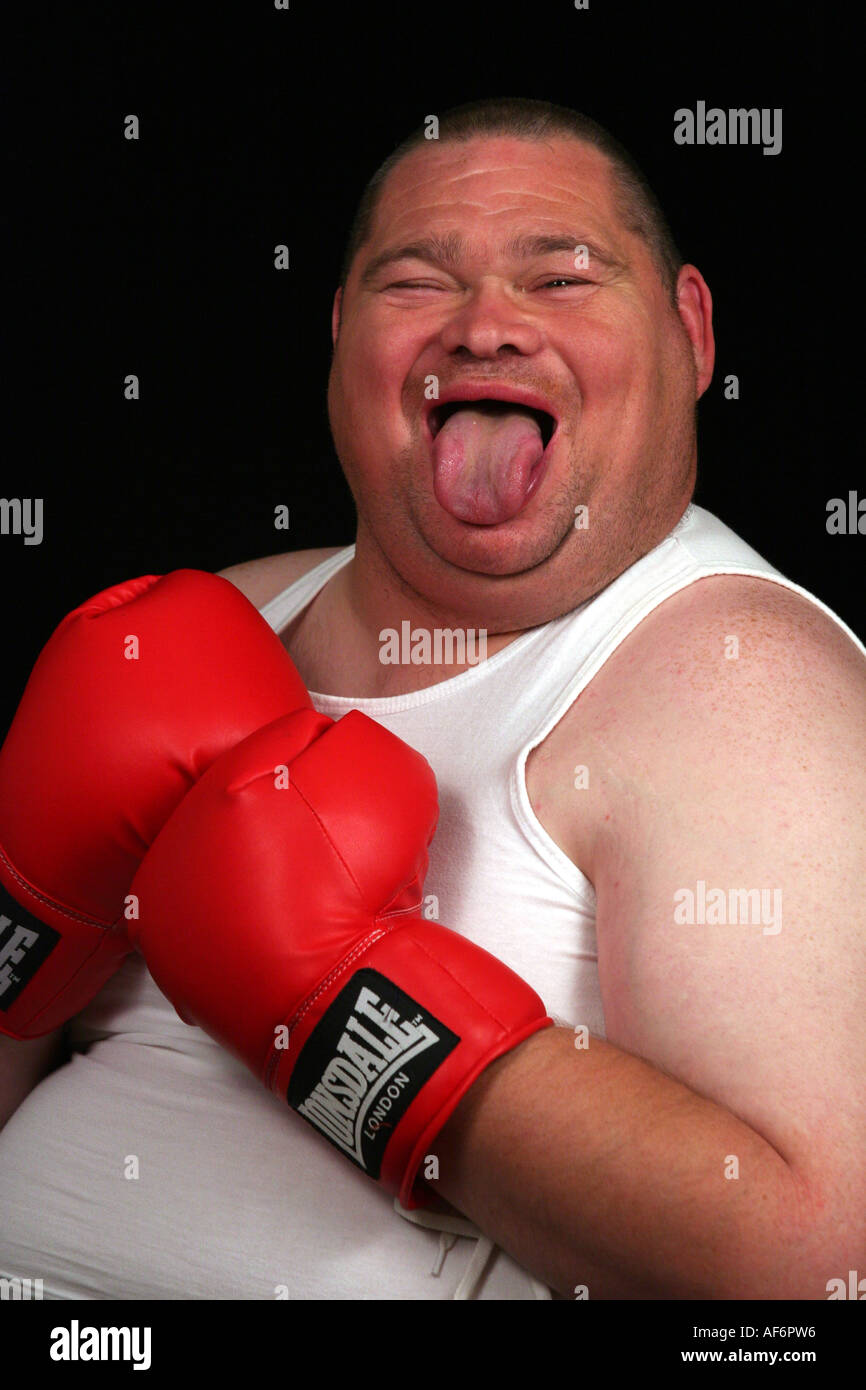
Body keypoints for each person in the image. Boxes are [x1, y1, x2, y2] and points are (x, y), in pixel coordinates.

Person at [1, 98, 863, 1301]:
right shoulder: (203, 625)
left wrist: (340, 1001)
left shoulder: (743, 682)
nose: (486, 328)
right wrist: (23, 922)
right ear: (342, 331)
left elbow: (812, 1267)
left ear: (689, 332)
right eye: (416, 283)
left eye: (560, 278)